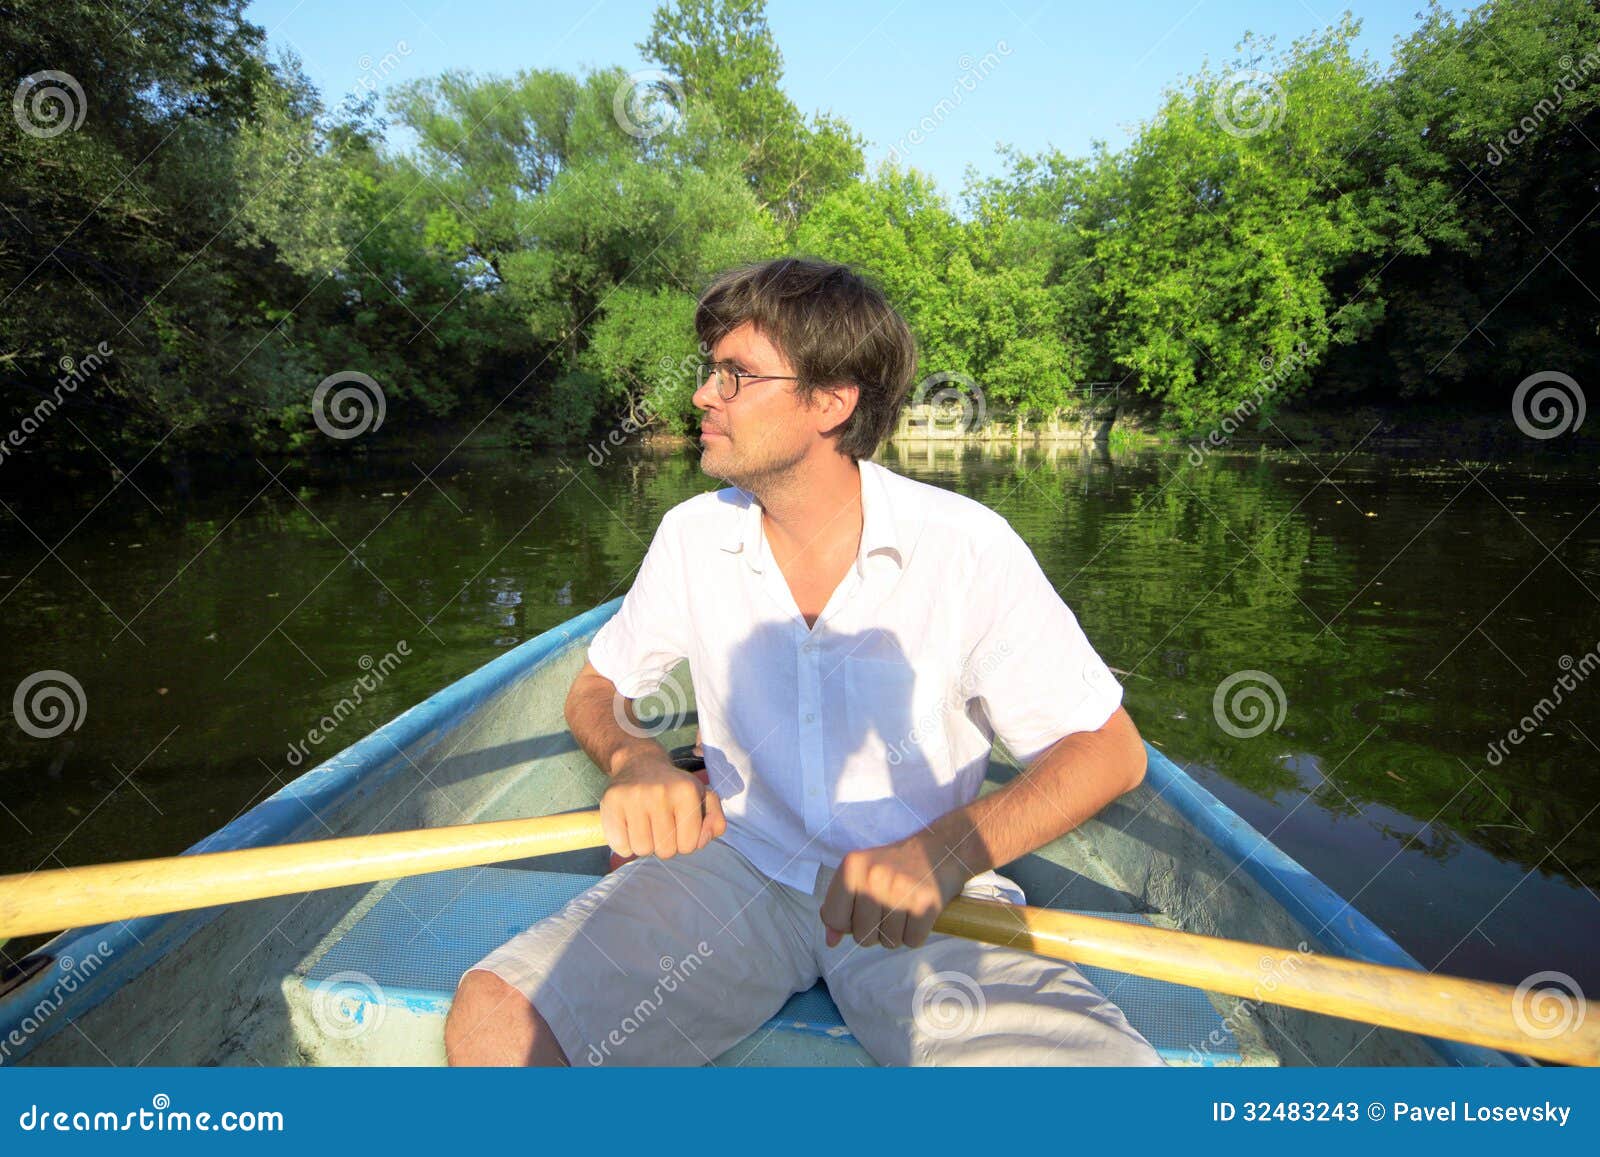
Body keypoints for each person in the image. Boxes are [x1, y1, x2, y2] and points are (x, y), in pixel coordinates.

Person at [445, 257, 1163, 1067]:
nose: (702, 395)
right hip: (734, 870)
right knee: (498, 1018)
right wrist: (635, 759)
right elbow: (598, 686)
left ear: (832, 400)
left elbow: (1109, 751)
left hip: (916, 898)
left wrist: (945, 851)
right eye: (711, 371)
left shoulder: (967, 547)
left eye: (735, 374)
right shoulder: (691, 536)